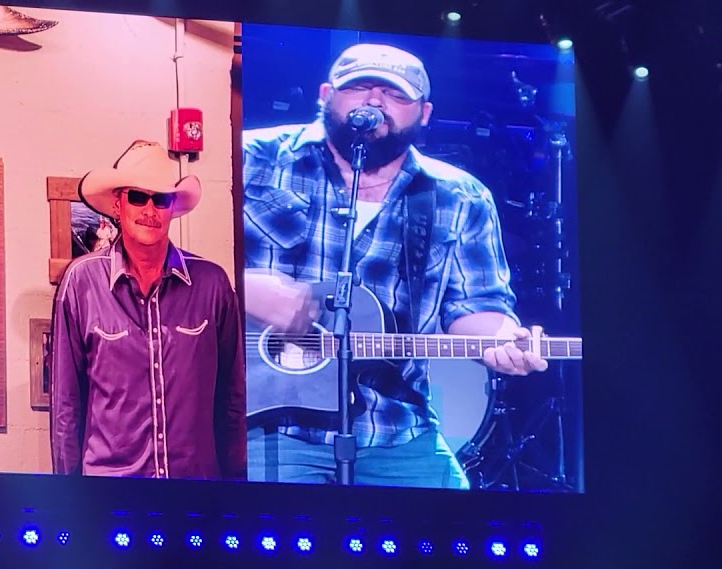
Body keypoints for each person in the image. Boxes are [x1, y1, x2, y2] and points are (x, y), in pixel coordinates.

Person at [240, 43, 549, 488]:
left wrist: (503, 340)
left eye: (395, 94)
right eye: (358, 88)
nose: (374, 102)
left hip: (395, 424)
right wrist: (241, 286)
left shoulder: (459, 196)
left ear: (424, 113)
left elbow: (476, 305)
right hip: (266, 423)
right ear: (326, 94)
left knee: (456, 542)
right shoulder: (252, 158)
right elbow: (148, 249)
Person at [50, 139, 246, 480]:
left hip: (195, 491)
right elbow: (67, 404)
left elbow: (233, 399)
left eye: (162, 199)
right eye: (138, 196)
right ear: (117, 203)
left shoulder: (212, 284)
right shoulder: (82, 283)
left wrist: (235, 490)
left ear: (172, 207)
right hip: (111, 494)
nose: (150, 210)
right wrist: (69, 499)